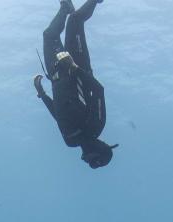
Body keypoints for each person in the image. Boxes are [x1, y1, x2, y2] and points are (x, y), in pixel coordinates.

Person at [34, 0, 116, 169]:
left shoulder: (70, 141)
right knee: (75, 21)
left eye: (88, 162)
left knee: (49, 35)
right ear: (99, 150)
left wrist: (42, 95)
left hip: (56, 73)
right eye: (91, 159)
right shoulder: (96, 126)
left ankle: (65, 7)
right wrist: (74, 67)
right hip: (76, 65)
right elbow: (98, 90)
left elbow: (58, 114)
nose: (85, 158)